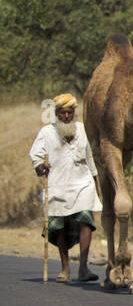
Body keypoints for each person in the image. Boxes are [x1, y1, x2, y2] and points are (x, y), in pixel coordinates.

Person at [30, 93, 101, 283]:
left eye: (70, 113)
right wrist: (40, 167)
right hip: (57, 186)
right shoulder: (46, 133)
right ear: (56, 114)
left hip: (82, 184)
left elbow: (90, 157)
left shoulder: (82, 130)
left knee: (86, 220)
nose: (66, 116)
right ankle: (65, 268)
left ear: (74, 113)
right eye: (62, 113)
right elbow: (36, 157)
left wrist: (96, 183)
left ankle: (84, 268)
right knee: (59, 226)